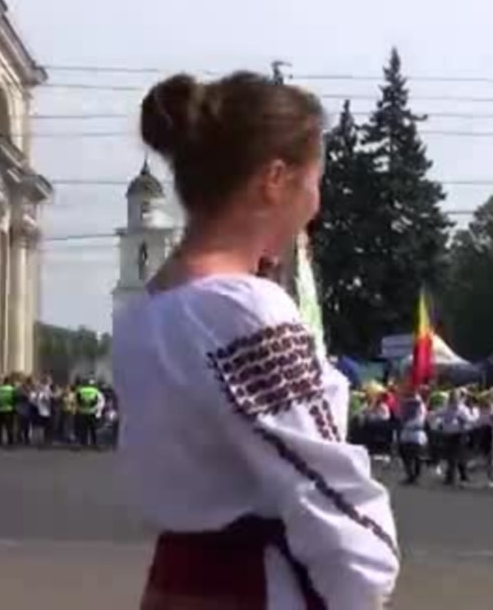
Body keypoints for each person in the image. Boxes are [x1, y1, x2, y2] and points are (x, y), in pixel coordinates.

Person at [112, 72, 398, 609]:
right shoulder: (242, 311)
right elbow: (323, 483)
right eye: (315, 181)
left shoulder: (143, 312)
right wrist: (364, 587)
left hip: (180, 583)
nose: (316, 203)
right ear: (274, 179)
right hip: (259, 589)